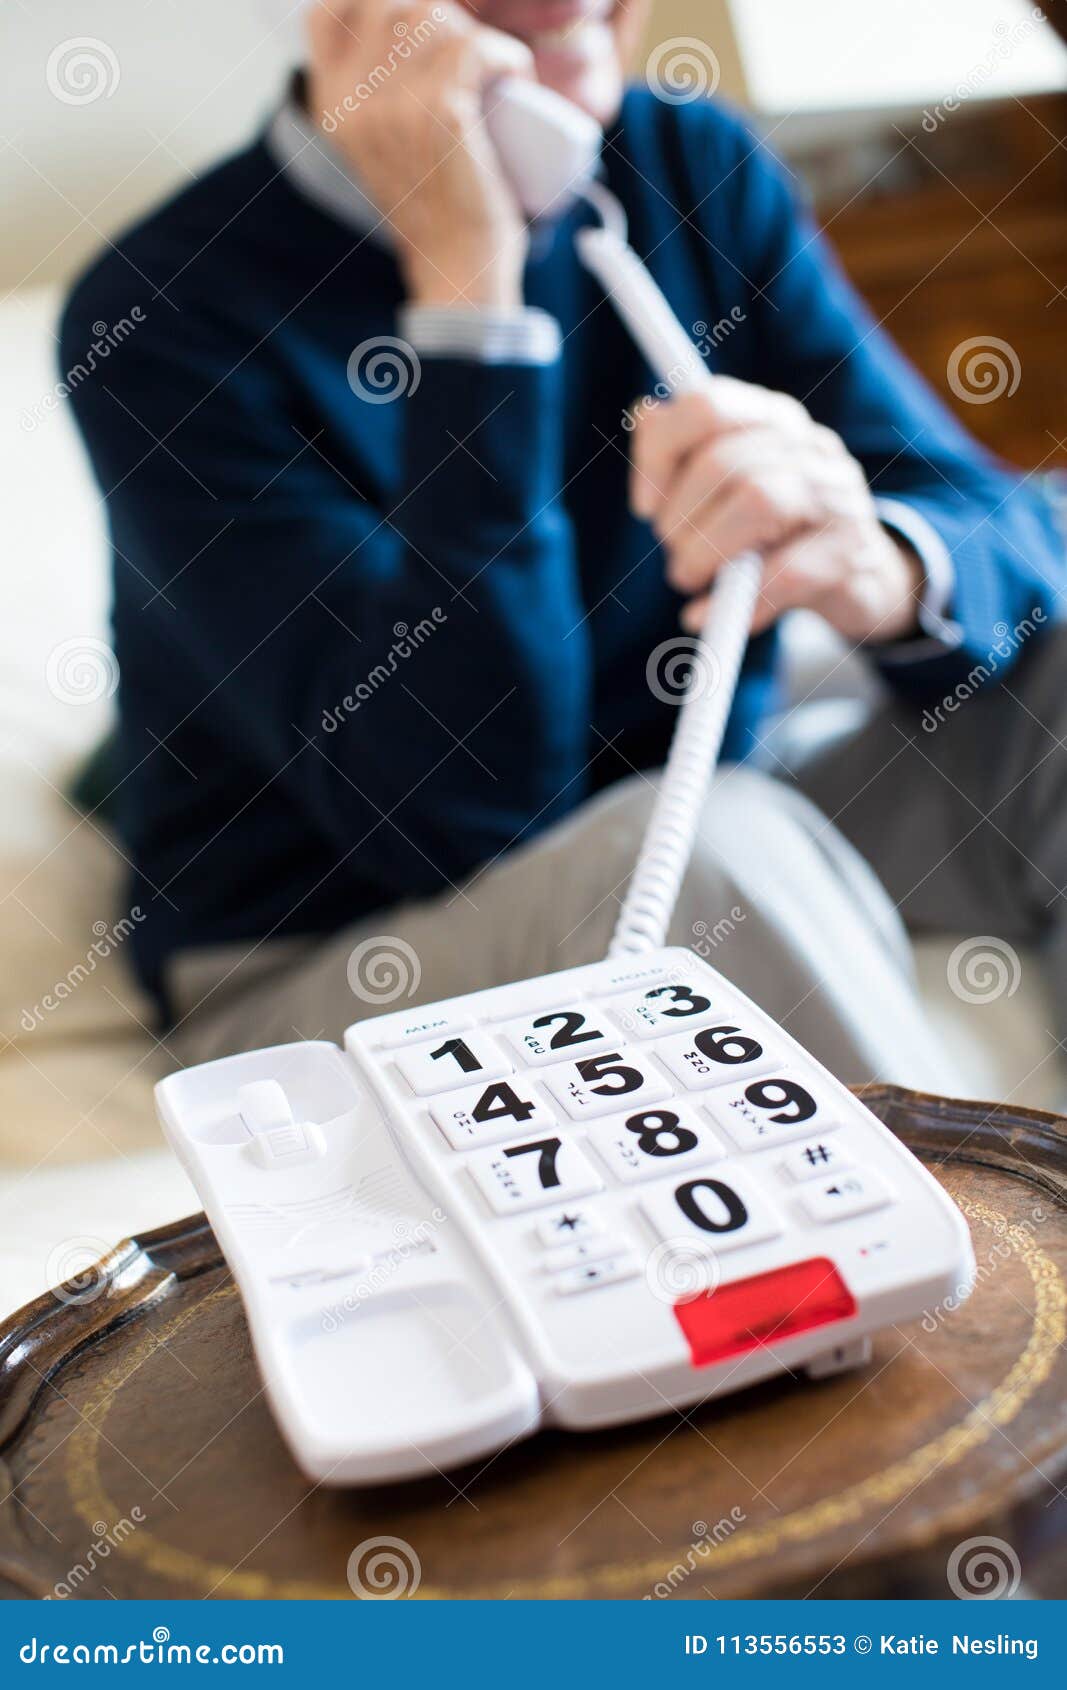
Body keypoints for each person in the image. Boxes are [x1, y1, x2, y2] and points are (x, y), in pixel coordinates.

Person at [61, 0, 1066, 1088]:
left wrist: (884, 565)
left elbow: (1005, 522)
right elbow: (465, 805)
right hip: (341, 936)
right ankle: (972, 1254)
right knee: (708, 855)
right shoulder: (158, 317)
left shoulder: (687, 158)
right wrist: (468, 289)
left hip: (695, 788)